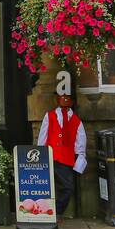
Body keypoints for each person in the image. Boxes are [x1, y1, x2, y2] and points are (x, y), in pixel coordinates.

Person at [36, 92, 86, 221]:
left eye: (68, 98)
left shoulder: (76, 120)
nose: (65, 100)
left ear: (72, 102)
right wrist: (41, 154)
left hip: (66, 160)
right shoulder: (50, 116)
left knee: (67, 188)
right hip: (50, 156)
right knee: (45, 186)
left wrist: (80, 158)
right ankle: (42, 212)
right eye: (62, 98)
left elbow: (81, 142)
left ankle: (57, 212)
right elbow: (43, 136)